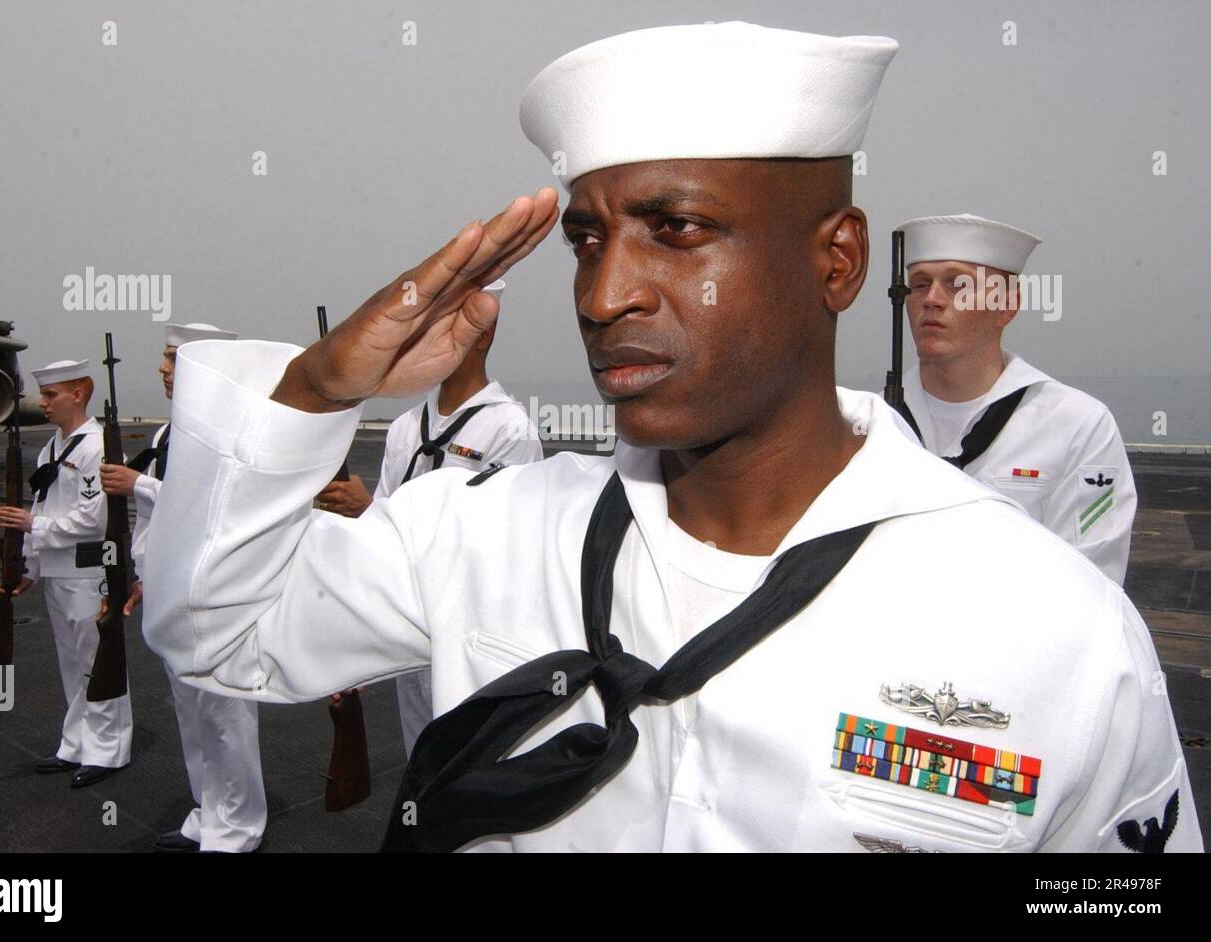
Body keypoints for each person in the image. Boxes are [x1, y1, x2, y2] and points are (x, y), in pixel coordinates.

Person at [145, 22, 1199, 852]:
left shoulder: (1055, 634)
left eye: (678, 229)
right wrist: (312, 394)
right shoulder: (487, 534)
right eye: (586, 239)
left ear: (834, 263)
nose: (602, 295)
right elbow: (214, 633)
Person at [317, 280, 544, 753]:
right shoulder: (404, 429)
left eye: (451, 324)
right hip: (408, 619)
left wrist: (370, 510)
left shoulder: (508, 428)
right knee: (417, 756)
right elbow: (377, 545)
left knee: (468, 761)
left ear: (484, 334)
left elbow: (499, 545)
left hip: (469, 631)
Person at [897, 213, 1135, 583]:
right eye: (918, 284)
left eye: (958, 285)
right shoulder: (871, 421)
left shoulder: (1077, 426)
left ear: (1006, 306)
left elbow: (1091, 581)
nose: (932, 299)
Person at [100, 322, 266, 853]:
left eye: (173, 358)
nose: (162, 369)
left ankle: (239, 823)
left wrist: (140, 484)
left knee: (224, 711)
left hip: (217, 591)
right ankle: (210, 808)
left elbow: (221, 509)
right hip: (176, 588)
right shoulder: (169, 434)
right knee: (190, 711)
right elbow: (156, 523)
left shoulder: (234, 431)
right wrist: (144, 572)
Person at [0, 359, 132, 787]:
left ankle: (109, 749)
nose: (43, 403)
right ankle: (75, 744)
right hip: (56, 573)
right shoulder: (51, 448)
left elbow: (92, 520)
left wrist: (32, 526)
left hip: (88, 571)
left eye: (51, 395)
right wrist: (28, 568)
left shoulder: (97, 448)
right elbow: (42, 508)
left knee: (98, 661)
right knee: (72, 664)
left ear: (77, 394)